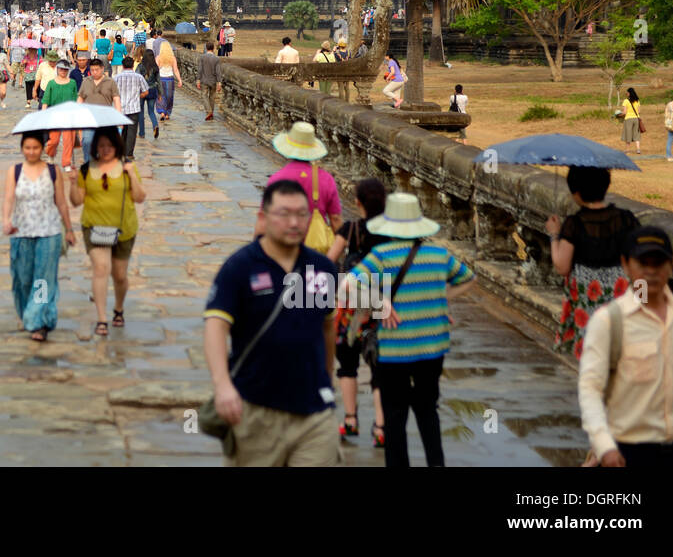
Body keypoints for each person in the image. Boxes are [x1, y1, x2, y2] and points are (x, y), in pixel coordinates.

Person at [203, 178, 339, 467]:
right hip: (257, 410)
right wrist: (222, 386)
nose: (294, 222)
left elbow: (328, 326)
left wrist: (327, 377)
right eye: (284, 214)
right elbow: (215, 325)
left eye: (302, 214)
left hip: (314, 413)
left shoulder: (322, 268)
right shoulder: (241, 267)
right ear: (263, 217)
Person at [343, 192, 475, 467]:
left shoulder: (381, 256)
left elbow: (347, 286)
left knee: (394, 415)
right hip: (432, 349)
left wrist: (379, 302)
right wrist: (441, 299)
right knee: (428, 410)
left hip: (395, 351)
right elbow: (468, 278)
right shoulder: (439, 255)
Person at [578, 226, 673, 467]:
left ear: (671, 265)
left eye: (658, 262)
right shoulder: (610, 321)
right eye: (643, 263)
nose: (651, 271)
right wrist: (604, 446)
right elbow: (590, 388)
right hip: (625, 452)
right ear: (626, 265)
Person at [546, 165, 639, 358]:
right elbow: (642, 266)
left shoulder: (575, 224)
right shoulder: (626, 220)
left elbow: (562, 266)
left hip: (589, 307)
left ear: (576, 193)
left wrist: (554, 234)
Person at [325, 178, 388, 447]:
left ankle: (350, 420)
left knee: (347, 365)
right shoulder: (391, 233)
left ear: (358, 203)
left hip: (350, 308)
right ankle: (381, 426)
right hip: (382, 307)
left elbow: (329, 260)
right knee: (379, 368)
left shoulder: (350, 230)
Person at [67, 127, 146, 336]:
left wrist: (132, 176)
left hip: (124, 228)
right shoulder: (86, 169)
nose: (105, 149)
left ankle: (118, 308)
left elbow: (139, 197)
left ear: (117, 146)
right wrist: (74, 183)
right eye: (101, 145)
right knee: (101, 268)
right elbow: (76, 202)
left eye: (109, 145)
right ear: (95, 147)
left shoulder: (127, 167)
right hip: (94, 227)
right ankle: (101, 318)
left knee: (119, 275)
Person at [3, 132, 79, 342]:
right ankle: (29, 313)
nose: (31, 151)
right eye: (27, 147)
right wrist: (6, 220)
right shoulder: (15, 171)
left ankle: (39, 320)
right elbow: (9, 198)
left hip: (49, 232)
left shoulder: (53, 171)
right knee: (23, 278)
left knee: (43, 281)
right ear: (22, 148)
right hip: (22, 232)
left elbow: (61, 203)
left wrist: (70, 229)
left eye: (35, 147)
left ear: (43, 148)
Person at [267, 122, 343, 248]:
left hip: (284, 248)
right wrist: (340, 250)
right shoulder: (325, 179)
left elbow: (267, 219)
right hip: (312, 248)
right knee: (310, 268)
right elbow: (335, 219)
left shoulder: (277, 179)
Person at [78, 57, 121, 166]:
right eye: (92, 70)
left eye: (97, 70)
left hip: (105, 120)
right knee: (87, 141)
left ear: (102, 69)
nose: (95, 72)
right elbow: (80, 98)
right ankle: (88, 165)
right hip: (89, 120)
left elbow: (116, 99)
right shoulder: (86, 81)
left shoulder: (110, 82)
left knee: (104, 145)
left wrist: (119, 117)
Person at [41, 59, 80, 170]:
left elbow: (75, 99)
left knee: (69, 140)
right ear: (57, 69)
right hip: (54, 116)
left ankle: (66, 163)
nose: (63, 71)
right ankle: (50, 154)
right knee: (53, 141)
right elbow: (45, 100)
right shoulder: (51, 83)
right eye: (61, 69)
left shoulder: (72, 83)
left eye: (65, 69)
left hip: (69, 116)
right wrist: (44, 115)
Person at [114, 55, 149, 159]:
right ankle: (129, 153)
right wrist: (138, 96)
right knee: (132, 132)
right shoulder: (139, 77)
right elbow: (146, 91)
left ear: (123, 66)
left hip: (120, 108)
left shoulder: (116, 78)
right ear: (133, 66)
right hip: (134, 108)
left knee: (122, 131)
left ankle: (121, 151)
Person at [135, 48, 161, 141]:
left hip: (142, 91)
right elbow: (159, 81)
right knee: (151, 111)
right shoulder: (155, 67)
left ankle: (142, 133)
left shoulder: (140, 66)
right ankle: (155, 125)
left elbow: (136, 78)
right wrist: (160, 94)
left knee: (141, 112)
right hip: (153, 90)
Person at [197, 39, 223, 120]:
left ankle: (209, 111)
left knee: (204, 95)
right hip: (213, 81)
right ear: (213, 48)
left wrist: (198, 80)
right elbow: (218, 72)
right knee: (212, 97)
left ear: (206, 48)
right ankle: (211, 112)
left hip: (204, 80)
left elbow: (200, 70)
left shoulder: (202, 57)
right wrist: (219, 82)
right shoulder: (216, 58)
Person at [156, 39, 181, 120]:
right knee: (169, 96)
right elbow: (176, 70)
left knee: (161, 95)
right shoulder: (172, 58)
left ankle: (162, 112)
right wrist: (179, 80)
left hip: (161, 78)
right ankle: (167, 112)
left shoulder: (158, 58)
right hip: (170, 79)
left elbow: (156, 70)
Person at [620, 87, 643, 154]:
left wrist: (618, 115)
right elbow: (639, 111)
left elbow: (624, 112)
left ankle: (627, 150)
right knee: (636, 134)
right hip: (636, 119)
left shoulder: (626, 101)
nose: (626, 94)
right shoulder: (637, 100)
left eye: (627, 92)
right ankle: (638, 149)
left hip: (628, 119)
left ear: (629, 93)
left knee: (628, 134)